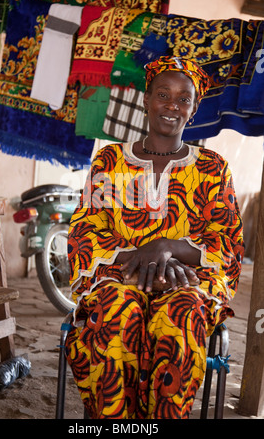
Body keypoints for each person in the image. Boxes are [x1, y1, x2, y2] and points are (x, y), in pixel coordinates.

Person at [66, 56, 244, 419]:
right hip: (119, 272)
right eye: (164, 94)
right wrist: (138, 257)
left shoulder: (213, 168)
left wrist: (168, 248)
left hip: (188, 279)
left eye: (184, 99)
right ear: (146, 99)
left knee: (180, 317)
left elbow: (228, 243)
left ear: (194, 109)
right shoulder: (110, 160)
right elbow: (86, 228)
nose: (172, 106)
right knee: (117, 313)